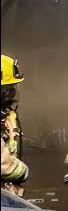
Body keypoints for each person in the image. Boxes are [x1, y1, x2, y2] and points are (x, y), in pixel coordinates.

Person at [1, 54, 29, 195]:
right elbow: (3, 165)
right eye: (8, 89)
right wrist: (22, 172)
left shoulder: (6, 117)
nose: (12, 94)